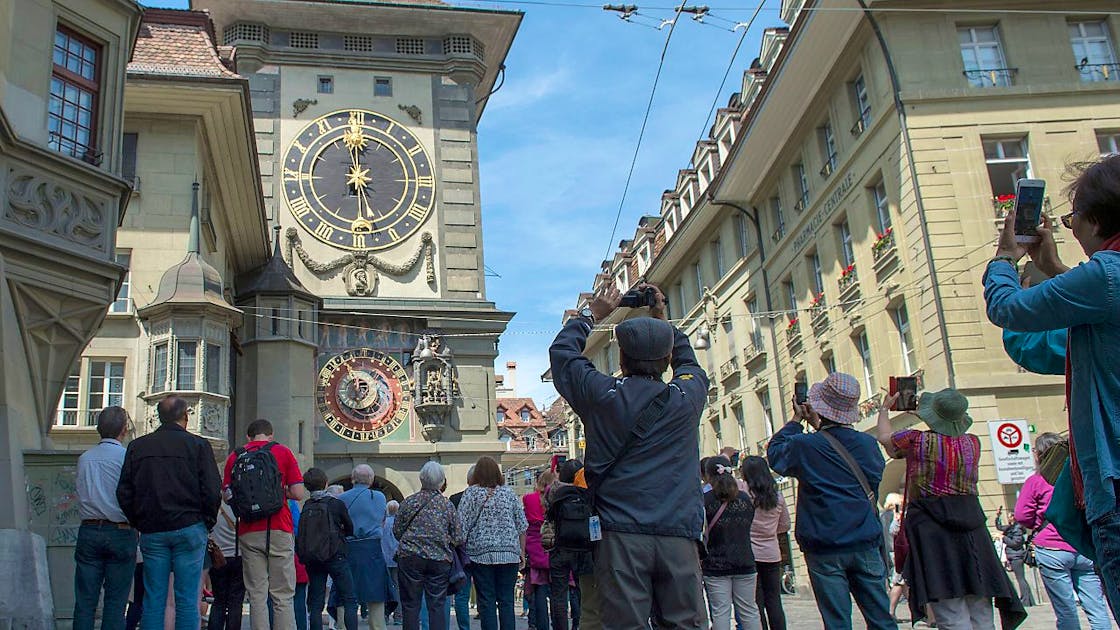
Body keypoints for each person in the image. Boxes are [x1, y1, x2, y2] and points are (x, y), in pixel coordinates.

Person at [983, 154, 1120, 616]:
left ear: (1098, 219)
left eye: (1073, 218)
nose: (1073, 228)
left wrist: (1006, 256)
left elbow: (1006, 308)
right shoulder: (1103, 282)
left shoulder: (1104, 275)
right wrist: (1055, 266)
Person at [549, 283, 708, 628]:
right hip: (679, 533)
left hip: (620, 536)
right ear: (667, 360)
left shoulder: (602, 395)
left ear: (621, 359)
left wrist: (592, 314)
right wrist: (663, 322)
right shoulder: (687, 398)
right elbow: (691, 364)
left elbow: (563, 354)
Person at [878, 388, 1026, 629]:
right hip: (972, 528)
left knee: (949, 608)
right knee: (980, 606)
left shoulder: (917, 440)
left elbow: (885, 438)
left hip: (933, 531)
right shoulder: (972, 444)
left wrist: (886, 408)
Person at [766, 373, 894, 630]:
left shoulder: (805, 445)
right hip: (864, 540)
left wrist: (796, 419)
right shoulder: (869, 445)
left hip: (824, 544)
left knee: (836, 622)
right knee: (881, 619)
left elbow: (775, 453)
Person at [116, 396, 220, 630]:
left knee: (154, 598)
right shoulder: (198, 445)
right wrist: (206, 522)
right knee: (187, 599)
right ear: (185, 417)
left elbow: (124, 491)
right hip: (190, 526)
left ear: (158, 418)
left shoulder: (138, 446)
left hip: (153, 529)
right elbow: (212, 490)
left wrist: (138, 520)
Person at [1015, 433, 1113, 629]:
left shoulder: (1036, 480)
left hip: (1052, 548)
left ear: (1040, 454)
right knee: (1097, 607)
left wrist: (1038, 523)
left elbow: (1021, 515)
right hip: (1083, 546)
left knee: (1065, 609)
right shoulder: (1079, 475)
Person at [222, 419, 305, 630]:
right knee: (282, 594)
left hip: (248, 529)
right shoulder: (283, 452)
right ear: (270, 435)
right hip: (279, 526)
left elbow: (226, 495)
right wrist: (279, 492)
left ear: (248, 437)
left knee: (257, 593)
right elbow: (298, 493)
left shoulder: (235, 456)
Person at [74, 406, 136, 630]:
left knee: (85, 601)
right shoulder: (126, 457)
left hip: (89, 530)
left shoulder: (85, 458)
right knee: (115, 602)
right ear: (124, 429)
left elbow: (80, 492)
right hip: (121, 530)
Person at [458, 456, 528, 630]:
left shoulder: (471, 493)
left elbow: (461, 527)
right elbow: (522, 526)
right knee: (506, 601)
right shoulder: (509, 493)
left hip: (481, 555)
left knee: (487, 601)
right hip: (509, 555)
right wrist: (521, 551)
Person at [394, 461, 463, 630]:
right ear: (441, 482)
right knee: (437, 604)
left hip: (410, 558)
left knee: (410, 604)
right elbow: (458, 536)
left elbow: (397, 530)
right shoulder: (447, 505)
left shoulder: (409, 502)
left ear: (421, 479)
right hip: (439, 560)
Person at [702, 456, 759, 630]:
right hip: (745, 561)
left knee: (720, 612)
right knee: (749, 611)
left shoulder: (705, 500)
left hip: (716, 564)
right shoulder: (745, 499)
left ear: (708, 476)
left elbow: (703, 532)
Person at [299, 467, 359, 630]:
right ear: (326, 484)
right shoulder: (336, 504)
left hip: (313, 558)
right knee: (349, 599)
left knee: (317, 603)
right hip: (335, 555)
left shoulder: (306, 505)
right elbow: (350, 528)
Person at [340, 464, 394, 630]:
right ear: (371, 480)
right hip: (372, 548)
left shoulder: (342, 498)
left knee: (346, 594)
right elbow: (382, 520)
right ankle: (377, 626)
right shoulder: (379, 497)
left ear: (352, 479)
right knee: (376, 594)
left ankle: (343, 625)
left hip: (349, 548)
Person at [740, 456, 789, 630]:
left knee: (756, 602)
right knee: (774, 600)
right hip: (771, 553)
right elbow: (785, 525)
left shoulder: (744, 494)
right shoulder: (777, 496)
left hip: (749, 552)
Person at [546, 459, 592, 630]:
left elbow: (548, 515)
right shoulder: (586, 491)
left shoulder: (554, 493)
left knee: (558, 595)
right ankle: (580, 625)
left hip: (560, 547)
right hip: (584, 547)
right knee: (583, 592)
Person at [524, 472, 555, 630]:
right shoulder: (556, 498)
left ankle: (541, 625)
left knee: (539, 591)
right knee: (558, 592)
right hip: (554, 547)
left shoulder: (528, 499)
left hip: (535, 549)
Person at [208, 498, 244, 630]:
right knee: (236, 601)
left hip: (218, 557)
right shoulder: (239, 505)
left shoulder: (214, 505)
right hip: (238, 555)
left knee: (219, 601)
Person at [448, 467, 475, 630]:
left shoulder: (455, 498)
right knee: (487, 594)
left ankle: (464, 628)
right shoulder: (489, 497)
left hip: (462, 552)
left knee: (462, 595)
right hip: (482, 552)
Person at [995, 507, 1036, 607]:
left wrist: (1003, 537)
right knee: (1020, 579)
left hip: (1017, 556)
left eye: (1009, 516)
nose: (1008, 518)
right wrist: (998, 516)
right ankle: (1028, 600)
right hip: (1013, 555)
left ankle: (1026, 600)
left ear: (1014, 517)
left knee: (1021, 578)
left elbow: (1015, 543)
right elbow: (1000, 527)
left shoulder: (1018, 528)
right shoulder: (1011, 527)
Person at [383, 501, 402, 626]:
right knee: (398, 588)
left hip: (384, 559)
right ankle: (398, 615)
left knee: (384, 587)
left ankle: (385, 614)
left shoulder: (383, 524)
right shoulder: (400, 524)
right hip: (397, 560)